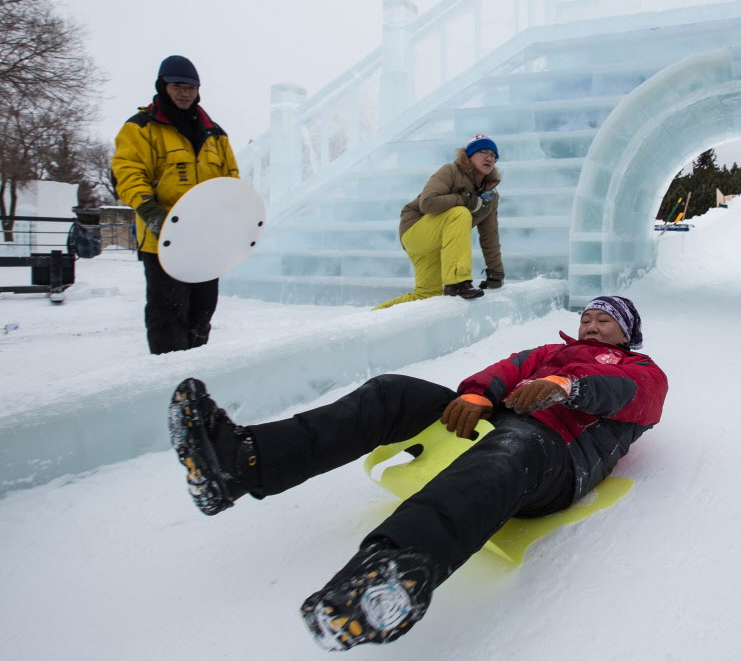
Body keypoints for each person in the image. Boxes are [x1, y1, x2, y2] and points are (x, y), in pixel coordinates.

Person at [168, 295, 667, 651]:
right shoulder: (546, 353)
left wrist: (567, 385)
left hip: (556, 454)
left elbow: (632, 395)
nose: (592, 325)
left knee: (511, 448)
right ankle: (239, 463)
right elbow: (509, 367)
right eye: (588, 318)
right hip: (505, 422)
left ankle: (390, 576)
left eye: (606, 320)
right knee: (393, 392)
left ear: (628, 332)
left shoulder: (644, 371)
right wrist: (478, 393)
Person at [111, 55, 239, 354]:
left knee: (201, 315)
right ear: (163, 86)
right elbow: (128, 174)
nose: (185, 93)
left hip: (206, 242)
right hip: (163, 241)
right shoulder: (142, 128)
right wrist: (150, 211)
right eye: (178, 86)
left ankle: (195, 381)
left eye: (191, 88)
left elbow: (230, 179)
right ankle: (170, 386)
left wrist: (231, 217)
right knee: (168, 316)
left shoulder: (215, 133)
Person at [374, 135, 505, 309]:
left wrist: (495, 272)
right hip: (415, 230)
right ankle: (458, 282)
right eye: (483, 152)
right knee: (460, 213)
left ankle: (370, 319)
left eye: (493, 155)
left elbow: (489, 234)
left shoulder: (490, 195)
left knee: (427, 295)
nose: (489, 158)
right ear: (469, 155)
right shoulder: (450, 171)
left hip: (438, 242)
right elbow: (427, 203)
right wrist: (465, 199)